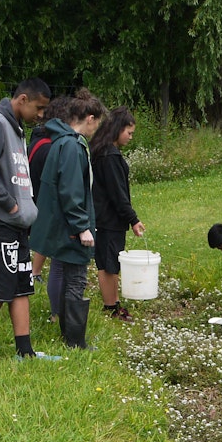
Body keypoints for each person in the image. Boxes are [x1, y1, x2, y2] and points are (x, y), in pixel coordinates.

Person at [0, 77, 55, 361]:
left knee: (21, 285)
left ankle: (24, 351)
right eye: (39, 108)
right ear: (23, 99)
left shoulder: (17, 129)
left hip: (16, 225)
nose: (40, 115)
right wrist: (9, 205)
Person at [31, 89, 106, 350]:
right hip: (70, 227)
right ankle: (75, 341)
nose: (97, 129)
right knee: (76, 279)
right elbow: (71, 190)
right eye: (97, 123)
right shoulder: (72, 146)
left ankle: (67, 332)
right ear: (90, 118)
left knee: (65, 275)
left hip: (60, 225)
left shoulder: (60, 141)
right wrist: (82, 227)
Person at [90, 106, 145, 321]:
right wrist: (133, 219)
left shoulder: (101, 150)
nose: (130, 137)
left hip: (105, 217)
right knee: (109, 264)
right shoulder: (109, 155)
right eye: (129, 133)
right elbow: (117, 192)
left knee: (108, 261)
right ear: (117, 129)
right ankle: (111, 307)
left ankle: (112, 303)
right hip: (109, 218)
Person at [26, 95, 71, 306]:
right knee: (49, 240)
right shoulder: (51, 148)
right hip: (41, 199)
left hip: (33, 195)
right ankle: (35, 273)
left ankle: (33, 272)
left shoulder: (37, 139)